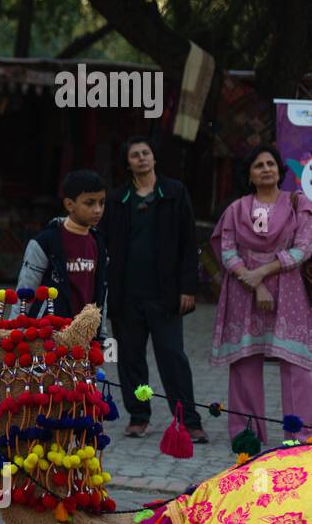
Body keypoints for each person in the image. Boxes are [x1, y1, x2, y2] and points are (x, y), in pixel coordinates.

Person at [210, 144, 312, 444]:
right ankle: (247, 435)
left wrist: (261, 273)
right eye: (259, 165)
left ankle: (301, 435)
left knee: (298, 366)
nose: (266, 169)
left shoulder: (300, 205)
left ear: (280, 170)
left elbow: (304, 248)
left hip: (290, 294)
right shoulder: (236, 209)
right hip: (245, 293)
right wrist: (255, 283)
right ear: (250, 175)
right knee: (245, 363)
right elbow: (227, 252)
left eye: (270, 163)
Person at [104, 136, 204, 441]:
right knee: (131, 359)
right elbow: (105, 244)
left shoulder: (174, 192)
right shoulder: (118, 198)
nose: (142, 158)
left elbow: (189, 243)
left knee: (172, 356)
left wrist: (188, 286)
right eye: (135, 155)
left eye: (146, 152)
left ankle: (188, 419)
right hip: (127, 294)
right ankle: (139, 415)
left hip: (166, 294)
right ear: (128, 163)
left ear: (154, 158)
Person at [15, 169, 109, 322]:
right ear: (69, 204)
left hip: (84, 333)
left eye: (102, 202)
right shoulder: (45, 242)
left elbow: (102, 294)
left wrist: (101, 335)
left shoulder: (99, 243)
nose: (98, 210)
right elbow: (25, 292)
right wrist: (15, 332)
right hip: (47, 334)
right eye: (89, 203)